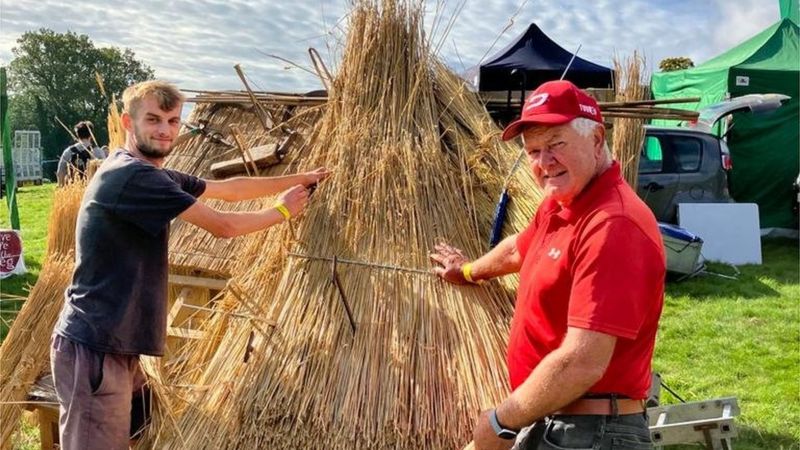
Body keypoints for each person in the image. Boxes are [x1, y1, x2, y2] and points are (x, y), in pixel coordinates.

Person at [50, 80, 330, 450]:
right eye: (153, 119)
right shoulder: (134, 177)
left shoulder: (147, 171)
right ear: (127, 122)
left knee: (138, 431)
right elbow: (223, 226)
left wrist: (304, 178)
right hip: (95, 350)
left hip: (114, 342)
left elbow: (228, 188)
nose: (165, 130)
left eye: (172, 120)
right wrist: (282, 210)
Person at [430, 80, 665, 450]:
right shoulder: (560, 206)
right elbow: (516, 251)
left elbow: (582, 362)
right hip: (556, 420)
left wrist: (499, 422)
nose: (543, 162)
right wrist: (468, 271)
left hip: (591, 434)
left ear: (596, 139)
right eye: (533, 150)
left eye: (556, 145)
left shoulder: (612, 224)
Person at [56, 121, 107, 186]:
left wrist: (62, 186)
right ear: (91, 135)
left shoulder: (68, 151)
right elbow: (105, 173)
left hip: (73, 191)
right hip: (91, 191)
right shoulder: (98, 152)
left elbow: (60, 172)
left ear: (77, 134)